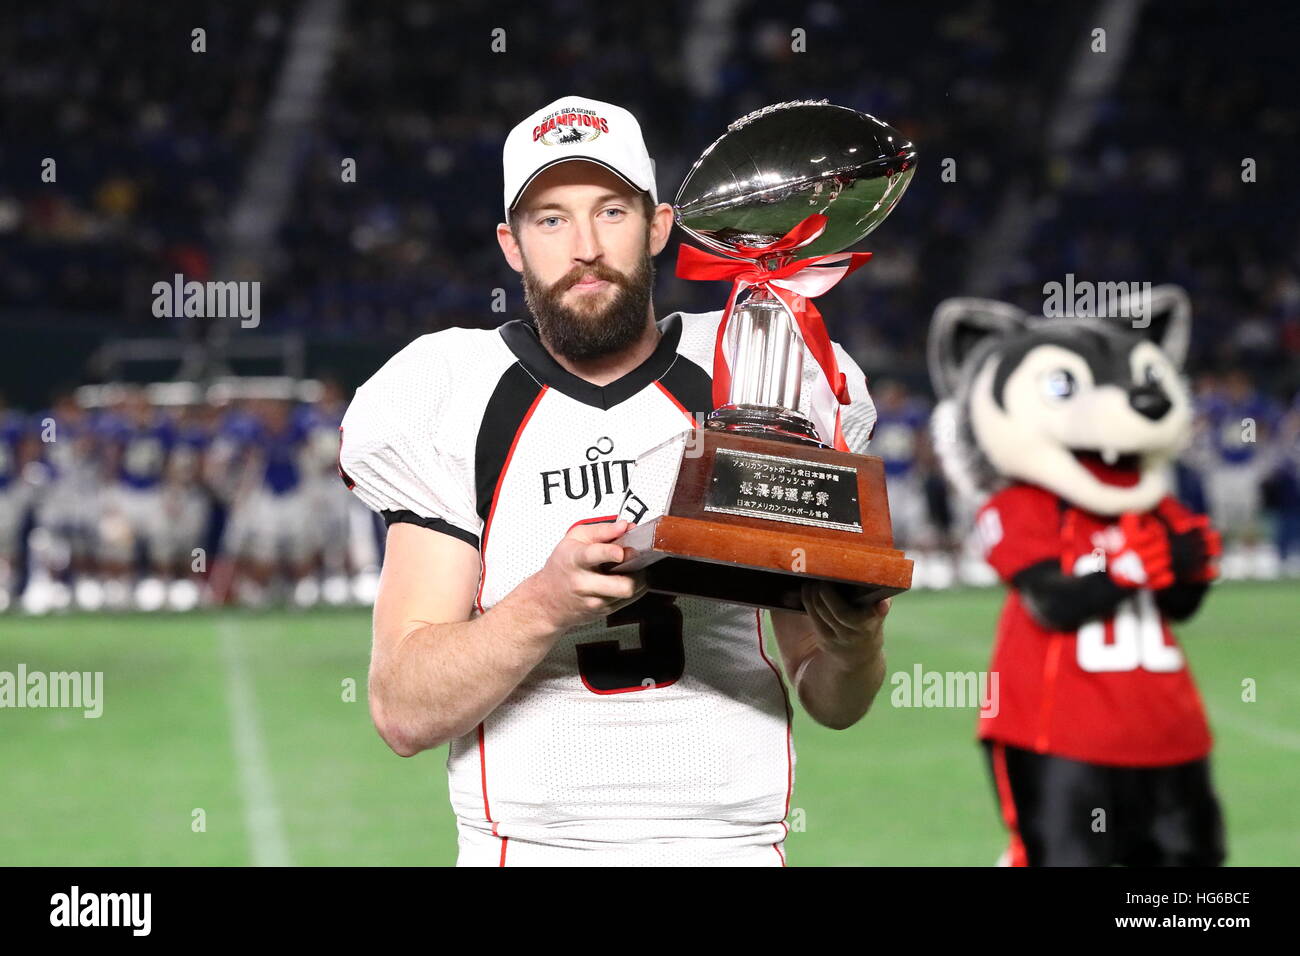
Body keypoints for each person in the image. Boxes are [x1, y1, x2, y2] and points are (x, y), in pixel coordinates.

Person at [339, 95, 892, 867]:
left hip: (731, 848)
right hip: (529, 851)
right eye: (551, 219)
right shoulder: (454, 391)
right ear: (511, 243)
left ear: (660, 225)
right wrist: (545, 601)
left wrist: (855, 649)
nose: (586, 246)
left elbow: (831, 698)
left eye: (611, 211)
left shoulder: (755, 364)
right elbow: (402, 708)